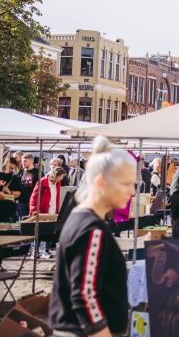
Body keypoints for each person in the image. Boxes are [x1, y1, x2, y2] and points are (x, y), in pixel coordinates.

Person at [49, 136, 136, 337]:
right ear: (101, 182)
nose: (132, 191)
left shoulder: (80, 218)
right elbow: (84, 294)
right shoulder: (92, 229)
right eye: (126, 184)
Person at [0, 157, 22, 223]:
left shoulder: (14, 177)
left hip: (8, 209)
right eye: (9, 167)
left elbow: (19, 193)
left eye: (12, 168)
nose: (10, 170)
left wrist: (10, 192)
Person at [18, 153, 40, 220]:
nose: (23, 163)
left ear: (31, 161)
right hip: (22, 201)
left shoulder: (37, 172)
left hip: (33, 201)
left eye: (25, 161)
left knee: (32, 220)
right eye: (22, 161)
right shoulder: (21, 171)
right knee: (22, 220)